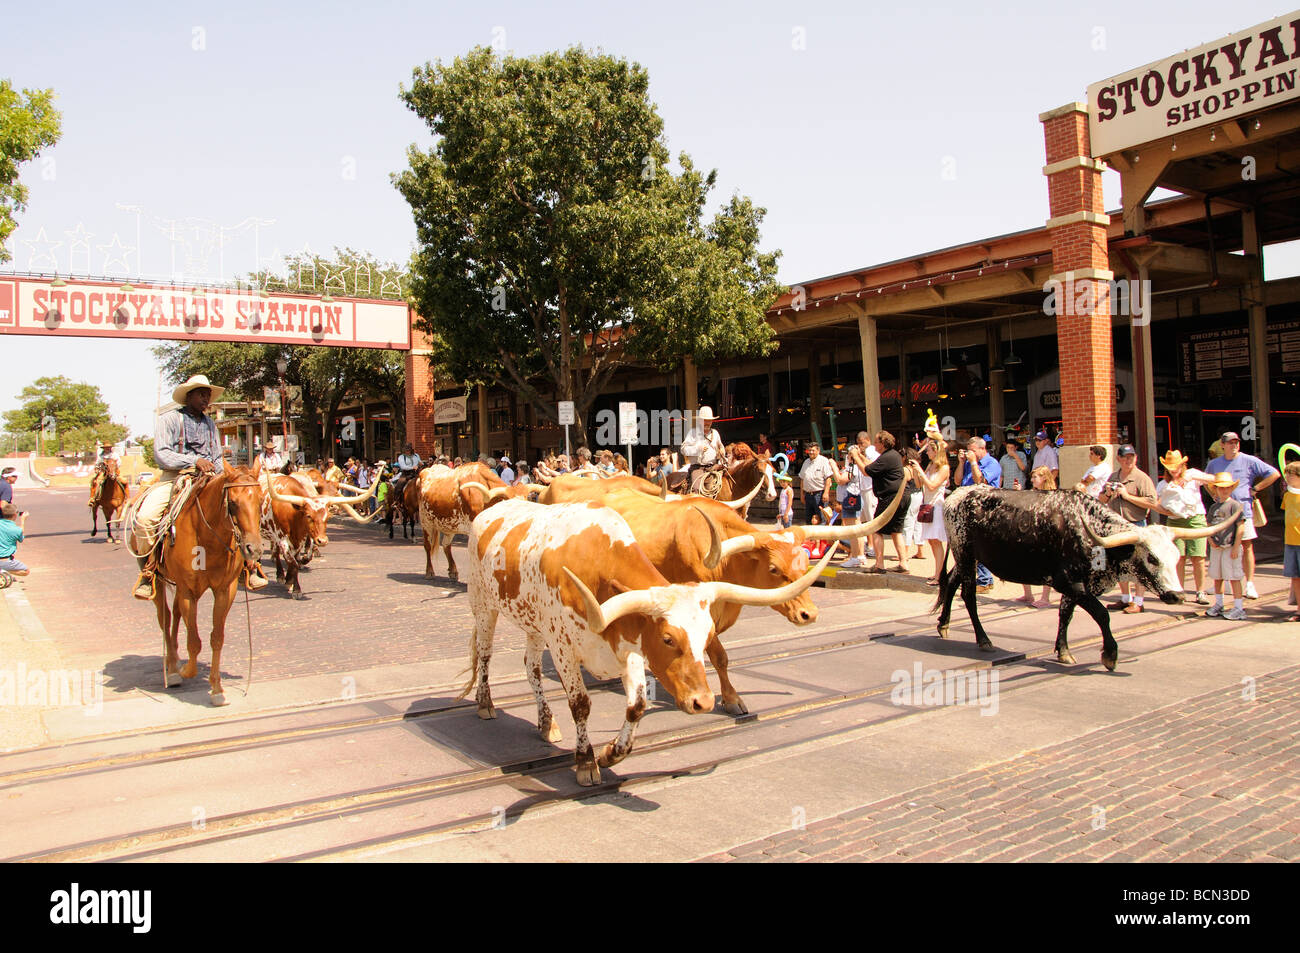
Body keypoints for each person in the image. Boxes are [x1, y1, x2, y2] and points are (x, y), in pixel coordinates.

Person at [132, 375, 268, 599]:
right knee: (146, 517)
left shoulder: (209, 424)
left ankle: (250, 566)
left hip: (209, 479)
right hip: (175, 477)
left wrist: (217, 472)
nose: (206, 399)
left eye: (208, 395)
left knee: (242, 509)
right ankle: (149, 572)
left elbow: (216, 457)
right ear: (188, 396)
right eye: (201, 394)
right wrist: (193, 461)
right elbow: (162, 453)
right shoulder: (169, 419)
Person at [1204, 431, 1280, 600]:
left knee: (1246, 546)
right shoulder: (1214, 464)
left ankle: (1250, 583)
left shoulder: (1249, 460)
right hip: (1222, 514)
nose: (1234, 445)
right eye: (1230, 442)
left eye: (1236, 442)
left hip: (1242, 510)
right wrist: (1213, 495)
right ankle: (1224, 583)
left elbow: (1274, 473)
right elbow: (1206, 481)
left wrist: (1255, 489)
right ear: (1222, 445)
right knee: (1222, 547)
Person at [1097, 444, 1158, 613]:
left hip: (1136, 525)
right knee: (1120, 564)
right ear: (1118, 459)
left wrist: (1127, 496)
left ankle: (1138, 602)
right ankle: (1125, 598)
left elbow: (1152, 502)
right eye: (1124, 457)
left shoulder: (1142, 478)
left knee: (1138, 565)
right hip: (1116, 526)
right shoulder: (1113, 476)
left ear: (1136, 458)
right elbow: (1101, 500)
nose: (1128, 460)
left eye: (1131, 457)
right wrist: (1108, 493)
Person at [1149, 450, 1215, 605]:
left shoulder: (1192, 475)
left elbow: (1215, 479)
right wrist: (1167, 511)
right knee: (1178, 558)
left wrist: (1194, 476)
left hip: (1195, 519)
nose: (1174, 471)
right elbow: (1155, 503)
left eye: (1176, 467)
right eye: (1170, 468)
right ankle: (1180, 591)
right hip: (1175, 521)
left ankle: (1200, 591)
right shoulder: (1163, 484)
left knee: (1198, 557)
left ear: (1182, 465)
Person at [955, 436, 1001, 592]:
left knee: (981, 544)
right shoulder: (967, 463)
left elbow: (980, 481)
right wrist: (962, 462)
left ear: (983, 448)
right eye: (969, 451)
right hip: (968, 507)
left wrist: (974, 462)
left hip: (985, 509)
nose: (970, 454)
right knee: (970, 545)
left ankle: (985, 580)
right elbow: (957, 480)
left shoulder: (992, 463)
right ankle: (979, 579)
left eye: (973, 451)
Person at [862, 431, 908, 574]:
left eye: (876, 441)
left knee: (876, 529)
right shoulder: (892, 455)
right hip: (900, 496)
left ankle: (879, 564)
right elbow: (872, 466)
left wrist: (857, 456)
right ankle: (903, 563)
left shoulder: (888, 457)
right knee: (896, 531)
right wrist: (861, 457)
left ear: (882, 443)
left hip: (890, 497)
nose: (874, 444)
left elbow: (867, 470)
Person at [1204, 473, 1247, 620]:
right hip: (1217, 546)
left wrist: (1236, 546)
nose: (1225, 490)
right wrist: (1210, 539)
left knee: (1234, 577)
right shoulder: (1214, 507)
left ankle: (1239, 607)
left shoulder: (1235, 505)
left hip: (1230, 545)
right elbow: (1208, 525)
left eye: (1228, 487)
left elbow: (1240, 527)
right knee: (1217, 576)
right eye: (1221, 488)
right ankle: (1219, 603)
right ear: (1215, 489)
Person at [911, 433, 950, 586]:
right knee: (932, 541)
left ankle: (940, 575)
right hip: (927, 504)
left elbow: (933, 486)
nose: (927, 452)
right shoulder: (930, 465)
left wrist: (920, 472)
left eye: (929, 450)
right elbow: (919, 484)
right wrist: (915, 470)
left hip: (937, 506)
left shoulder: (944, 467)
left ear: (936, 451)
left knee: (936, 541)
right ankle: (937, 573)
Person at [1016, 466, 1057, 607]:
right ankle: (1028, 594)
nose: (1032, 480)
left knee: (1047, 566)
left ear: (1044, 478)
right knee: (1023, 563)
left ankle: (1045, 598)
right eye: (1032, 477)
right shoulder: (1032, 492)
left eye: (1035, 477)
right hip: (1030, 532)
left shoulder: (1051, 495)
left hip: (1044, 534)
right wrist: (1019, 493)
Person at [680, 406, 726, 492]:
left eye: (709, 420)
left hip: (714, 466)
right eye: (705, 420)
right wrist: (698, 449)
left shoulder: (715, 433)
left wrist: (722, 450)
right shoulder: (693, 433)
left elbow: (721, 446)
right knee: (697, 490)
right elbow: (683, 449)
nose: (707, 423)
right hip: (698, 468)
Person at [797, 441, 835, 525]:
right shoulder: (806, 462)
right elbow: (802, 479)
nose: (811, 452)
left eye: (813, 450)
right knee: (809, 519)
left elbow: (828, 478)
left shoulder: (823, 461)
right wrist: (802, 494)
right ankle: (811, 539)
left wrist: (826, 492)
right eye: (809, 450)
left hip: (820, 494)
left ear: (818, 451)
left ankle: (821, 538)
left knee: (821, 519)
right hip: (808, 495)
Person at [1281, 461, 1300, 623]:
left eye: (1291, 475)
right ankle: (1299, 609)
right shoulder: (1287, 496)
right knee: (1295, 576)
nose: (1287, 477)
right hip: (1290, 542)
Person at [0, 502, 30, 581]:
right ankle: (3, 571)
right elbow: (21, 538)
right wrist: (23, 520)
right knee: (26, 571)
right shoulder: (16, 530)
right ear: (15, 515)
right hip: (5, 560)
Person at [88, 442, 120, 508]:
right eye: (106, 448)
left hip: (114, 471)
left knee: (124, 481)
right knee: (95, 481)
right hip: (103, 472)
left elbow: (119, 462)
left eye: (108, 448)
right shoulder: (101, 456)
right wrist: (97, 468)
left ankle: (126, 498)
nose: (107, 449)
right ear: (104, 449)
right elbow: (97, 463)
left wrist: (115, 467)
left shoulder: (114, 455)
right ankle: (93, 498)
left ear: (110, 448)